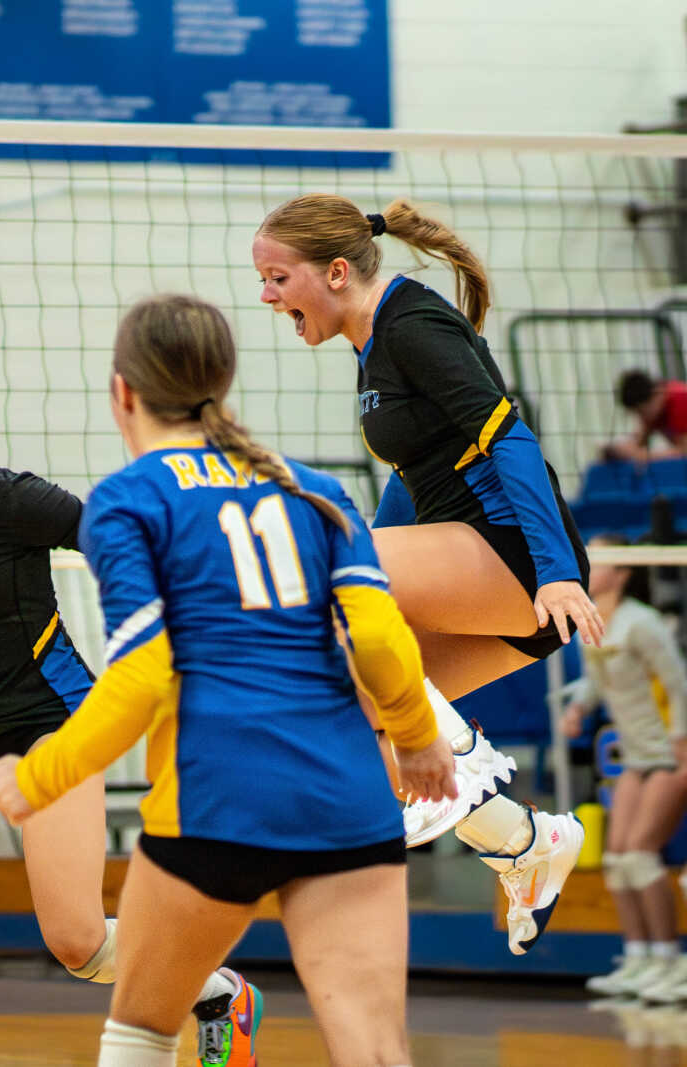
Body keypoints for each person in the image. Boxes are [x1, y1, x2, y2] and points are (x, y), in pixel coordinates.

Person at [0, 293, 455, 1067]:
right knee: (374, 1049)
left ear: (122, 392)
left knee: (141, 1033)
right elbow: (377, 638)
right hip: (345, 796)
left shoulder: (126, 500)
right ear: (220, 384)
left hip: (215, 799)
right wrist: (417, 737)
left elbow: (141, 676)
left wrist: (40, 776)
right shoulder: (316, 489)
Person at [0, 351, 256, 1067]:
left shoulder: (9, 499)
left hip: (50, 722)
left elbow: (115, 537)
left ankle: (216, 988)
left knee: (79, 944)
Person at [253, 194, 595, 953]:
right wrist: (371, 563)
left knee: (316, 562)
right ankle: (525, 841)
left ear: (335, 272)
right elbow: (417, 475)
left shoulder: (411, 321)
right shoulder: (372, 340)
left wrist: (557, 571)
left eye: (278, 278)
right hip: (476, 566)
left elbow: (510, 437)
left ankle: (463, 760)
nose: (267, 297)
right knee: (340, 701)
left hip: (518, 561)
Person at [560, 536, 687, 1000]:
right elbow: (594, 681)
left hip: (669, 753)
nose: (589, 566)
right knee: (616, 860)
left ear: (623, 571)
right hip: (635, 756)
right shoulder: (590, 620)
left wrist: (681, 742)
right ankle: (639, 958)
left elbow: (679, 684)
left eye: (600, 559)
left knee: (639, 854)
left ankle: (671, 962)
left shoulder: (642, 622)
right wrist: (578, 706)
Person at [603, 370, 687, 462]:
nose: (641, 418)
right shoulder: (654, 411)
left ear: (654, 395)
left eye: (640, 412)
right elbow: (635, 443)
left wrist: (646, 456)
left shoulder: (680, 400)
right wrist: (614, 450)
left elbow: (684, 450)